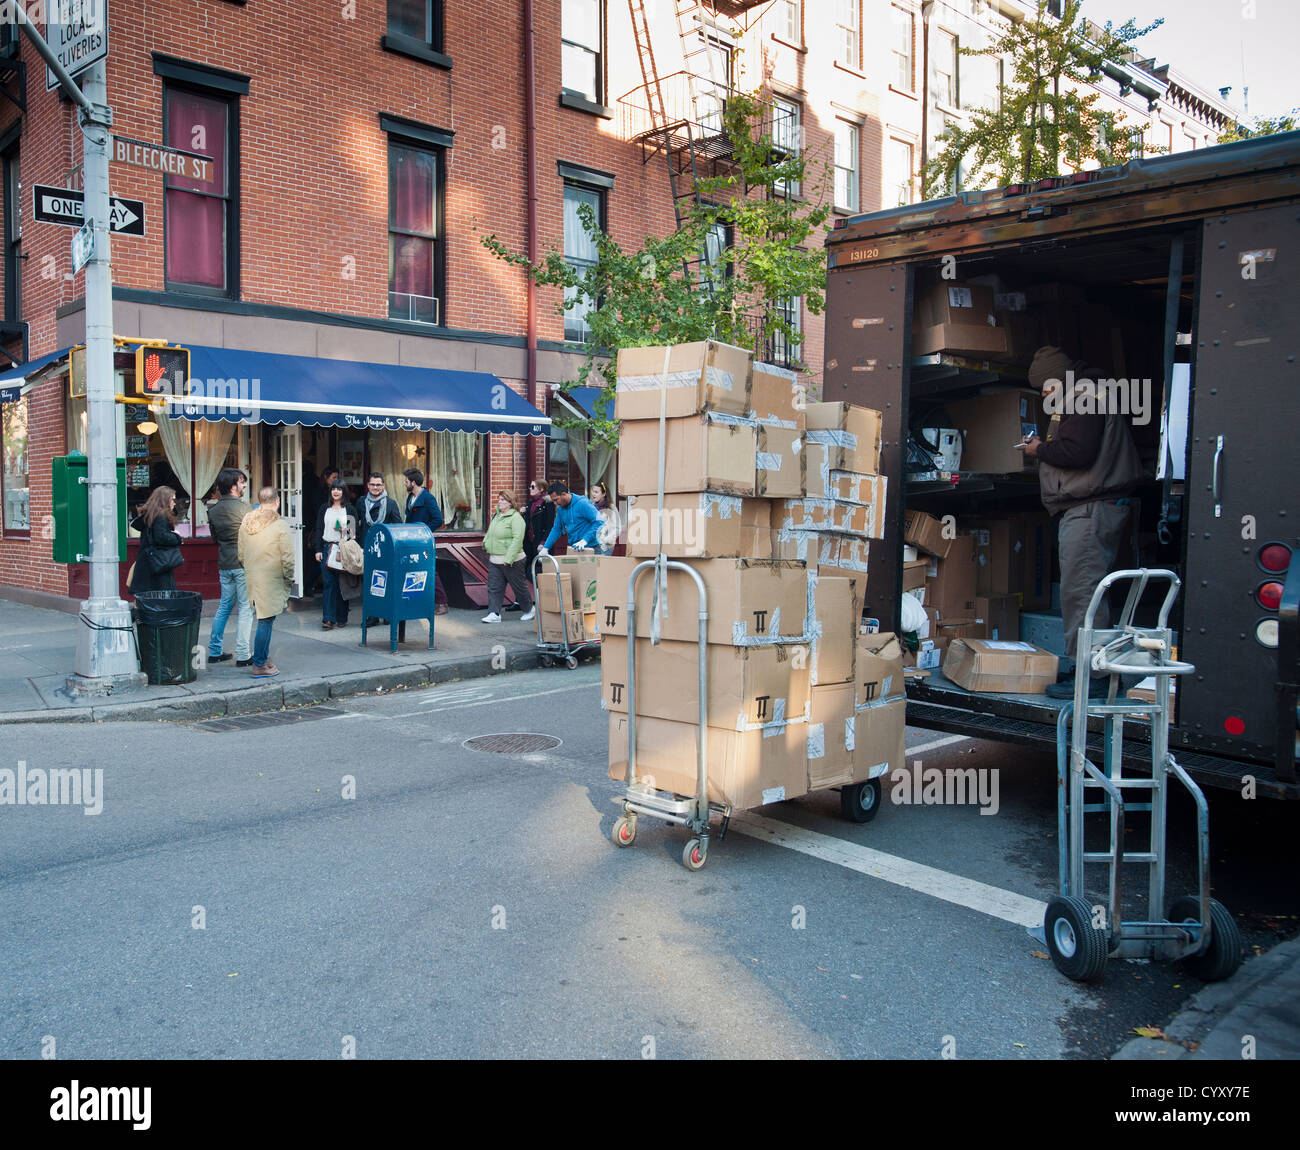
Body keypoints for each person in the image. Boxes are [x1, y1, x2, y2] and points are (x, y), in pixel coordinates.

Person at [1018, 345, 1144, 699]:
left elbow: (1078, 451)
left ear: (1057, 378)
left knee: (1083, 593)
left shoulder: (1084, 394)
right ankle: (1089, 669)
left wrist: (1038, 449)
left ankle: (1092, 677)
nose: (1043, 395)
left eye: (1045, 387)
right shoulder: (1086, 391)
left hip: (1090, 511)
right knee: (1086, 592)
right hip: (1092, 508)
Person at [237, 486, 296, 679]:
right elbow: (287, 557)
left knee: (263, 618)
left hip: (252, 575)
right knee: (266, 620)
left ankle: (263, 657)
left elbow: (240, 553)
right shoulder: (280, 525)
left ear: (260, 501)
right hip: (272, 576)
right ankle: (260, 663)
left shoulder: (246, 520)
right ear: (277, 501)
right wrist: (289, 577)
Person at [206, 468, 254, 666]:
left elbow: (215, 539)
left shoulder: (213, 510)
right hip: (242, 563)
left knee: (225, 606)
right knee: (245, 608)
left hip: (224, 562)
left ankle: (214, 650)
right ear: (233, 486)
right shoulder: (245, 509)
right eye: (242, 482)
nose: (244, 485)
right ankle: (243, 654)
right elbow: (253, 536)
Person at [481, 490, 536, 624]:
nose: (499, 502)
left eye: (503, 500)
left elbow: (517, 539)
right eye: (499, 499)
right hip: (495, 559)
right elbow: (490, 533)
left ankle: (529, 609)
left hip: (513, 560)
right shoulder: (497, 516)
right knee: (494, 587)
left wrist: (509, 558)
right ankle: (494, 613)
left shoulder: (516, 518)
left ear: (511, 503)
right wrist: (485, 544)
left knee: (519, 587)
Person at [403, 467, 449, 615]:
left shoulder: (428, 498)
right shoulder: (410, 498)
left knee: (429, 571)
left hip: (423, 542)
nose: (405, 484)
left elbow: (438, 519)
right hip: (411, 542)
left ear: (414, 482)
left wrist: (423, 532)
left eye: (406, 481)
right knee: (412, 571)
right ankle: (415, 602)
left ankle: (442, 603)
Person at [314, 480, 357, 631]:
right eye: (333, 489)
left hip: (342, 549)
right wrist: (318, 549)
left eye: (339, 489)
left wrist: (341, 529)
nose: (336, 492)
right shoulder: (324, 508)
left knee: (341, 584)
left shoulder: (350, 509)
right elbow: (319, 528)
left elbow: (352, 534)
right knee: (328, 584)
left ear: (344, 491)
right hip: (327, 548)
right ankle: (328, 619)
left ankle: (342, 617)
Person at [129, 486, 183, 596]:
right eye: (173, 499)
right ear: (165, 499)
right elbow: (161, 537)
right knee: (161, 597)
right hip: (158, 562)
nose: (174, 503)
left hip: (149, 561)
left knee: (148, 596)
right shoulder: (161, 516)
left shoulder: (151, 514)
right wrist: (177, 537)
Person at [538, 481, 603, 557]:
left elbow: (599, 522)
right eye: (553, 501)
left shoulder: (583, 503)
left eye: (556, 499)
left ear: (564, 494)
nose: (555, 503)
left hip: (593, 548)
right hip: (575, 548)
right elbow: (556, 529)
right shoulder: (561, 509)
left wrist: (585, 540)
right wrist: (545, 548)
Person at [523, 479, 555, 581]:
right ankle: (531, 596)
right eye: (530, 486)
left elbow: (550, 526)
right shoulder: (530, 503)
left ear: (541, 489)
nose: (530, 489)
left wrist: (543, 543)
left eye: (533, 487)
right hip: (529, 543)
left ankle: (541, 595)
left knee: (541, 572)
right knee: (528, 571)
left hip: (541, 543)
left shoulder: (548, 503)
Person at [357, 471, 403, 536]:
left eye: (378, 485)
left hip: (383, 542)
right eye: (372, 484)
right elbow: (355, 522)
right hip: (365, 542)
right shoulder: (361, 501)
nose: (375, 487)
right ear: (368, 485)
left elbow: (398, 527)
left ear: (383, 486)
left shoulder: (391, 504)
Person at [589, 482, 619, 556]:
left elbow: (617, 528)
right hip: (592, 545)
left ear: (603, 494)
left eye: (596, 492)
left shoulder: (611, 508)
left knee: (601, 566)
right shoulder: (591, 507)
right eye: (593, 491)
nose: (593, 494)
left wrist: (605, 541)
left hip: (605, 546)